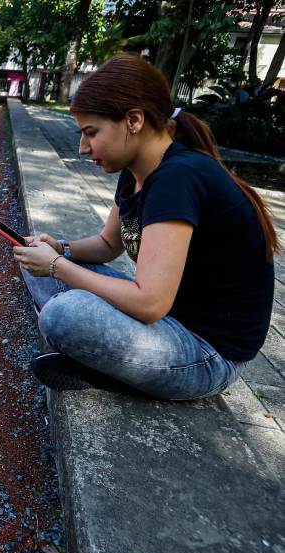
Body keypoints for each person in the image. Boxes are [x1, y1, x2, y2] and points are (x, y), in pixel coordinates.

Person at [15, 55, 279, 400]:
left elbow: (150, 303)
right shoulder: (136, 169)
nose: (82, 148)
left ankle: (100, 361)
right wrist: (61, 249)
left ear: (134, 120)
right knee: (37, 260)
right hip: (167, 324)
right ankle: (100, 361)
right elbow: (109, 244)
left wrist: (57, 266)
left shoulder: (178, 178)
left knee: (63, 315)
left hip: (207, 355)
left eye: (90, 132)